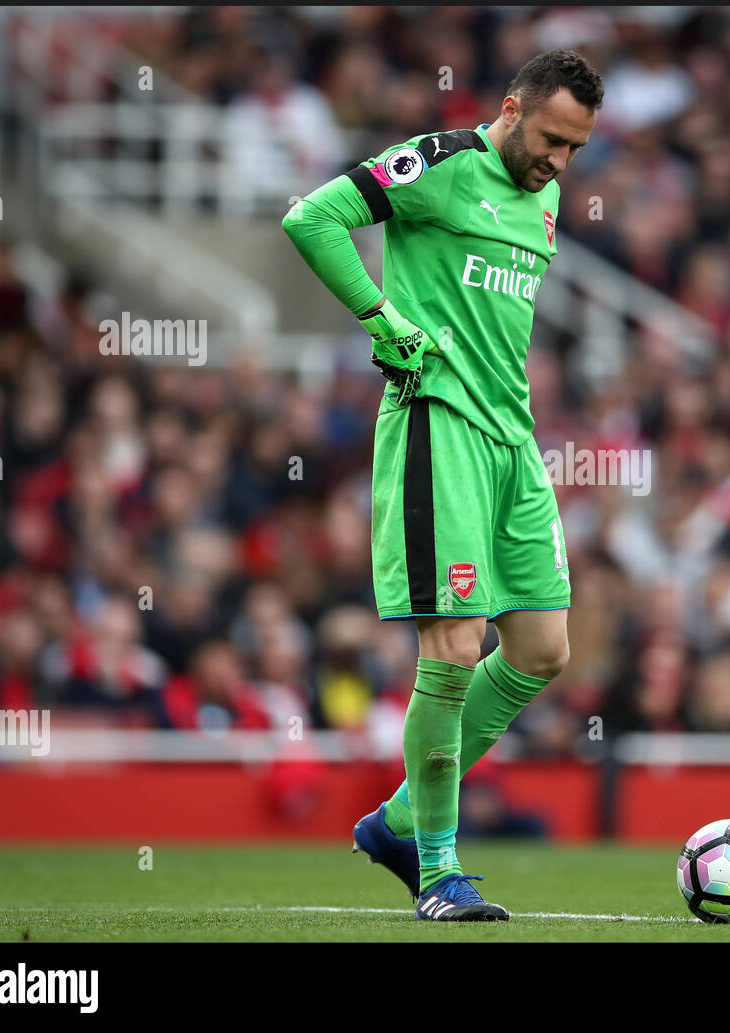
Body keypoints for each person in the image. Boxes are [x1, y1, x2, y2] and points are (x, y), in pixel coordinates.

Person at [283, 49, 603, 921]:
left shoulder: (546, 196)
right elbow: (311, 219)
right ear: (510, 108)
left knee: (541, 651)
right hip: (437, 427)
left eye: (575, 149)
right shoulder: (439, 164)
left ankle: (394, 820)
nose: (558, 162)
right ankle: (437, 869)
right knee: (455, 648)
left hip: (514, 441)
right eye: (549, 140)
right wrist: (381, 319)